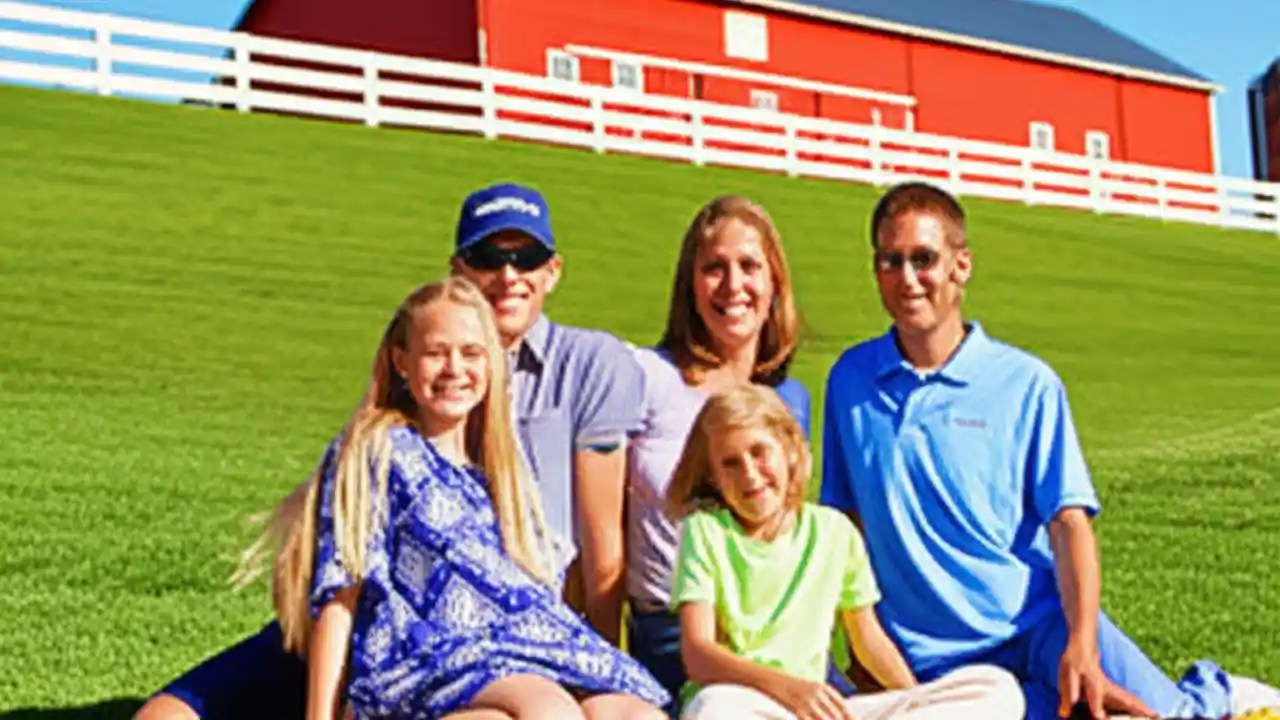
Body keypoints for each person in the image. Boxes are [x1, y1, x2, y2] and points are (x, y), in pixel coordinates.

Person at [136, 182, 646, 719]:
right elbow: (342, 577)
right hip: (402, 634)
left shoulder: (555, 395)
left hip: (509, 633)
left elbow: (598, 551)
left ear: (553, 269)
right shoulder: (383, 437)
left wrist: (592, 654)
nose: (508, 275)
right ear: (458, 270)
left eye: (527, 257)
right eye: (488, 257)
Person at [819, 181, 1280, 720]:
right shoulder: (850, 381)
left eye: (924, 259)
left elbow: (1068, 522)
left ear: (960, 266)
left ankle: (1219, 692)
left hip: (1038, 623)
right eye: (889, 261)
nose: (907, 279)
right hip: (927, 653)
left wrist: (1081, 642)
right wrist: (860, 637)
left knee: (1165, 716)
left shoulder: (1025, 383)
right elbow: (845, 527)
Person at [245, 276, 667, 719]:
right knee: (548, 712)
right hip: (427, 656)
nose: (454, 369)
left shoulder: (501, 466)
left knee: (636, 715)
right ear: (401, 361)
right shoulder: (379, 449)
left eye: (471, 354)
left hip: (529, 646)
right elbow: (341, 590)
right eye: (435, 353)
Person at [665, 383, 1026, 720]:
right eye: (730, 463)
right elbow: (698, 654)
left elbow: (868, 640)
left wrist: (912, 698)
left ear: (790, 449)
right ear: (712, 476)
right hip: (752, 702)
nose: (750, 475)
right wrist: (789, 690)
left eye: (760, 453)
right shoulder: (706, 531)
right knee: (714, 708)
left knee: (996, 688)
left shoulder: (833, 531)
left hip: (819, 706)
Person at [623, 195, 810, 709]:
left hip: (773, 632)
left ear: (774, 282)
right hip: (673, 633)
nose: (733, 286)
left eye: (749, 266)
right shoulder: (647, 379)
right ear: (690, 285)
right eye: (713, 268)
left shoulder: (790, 402)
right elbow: (603, 537)